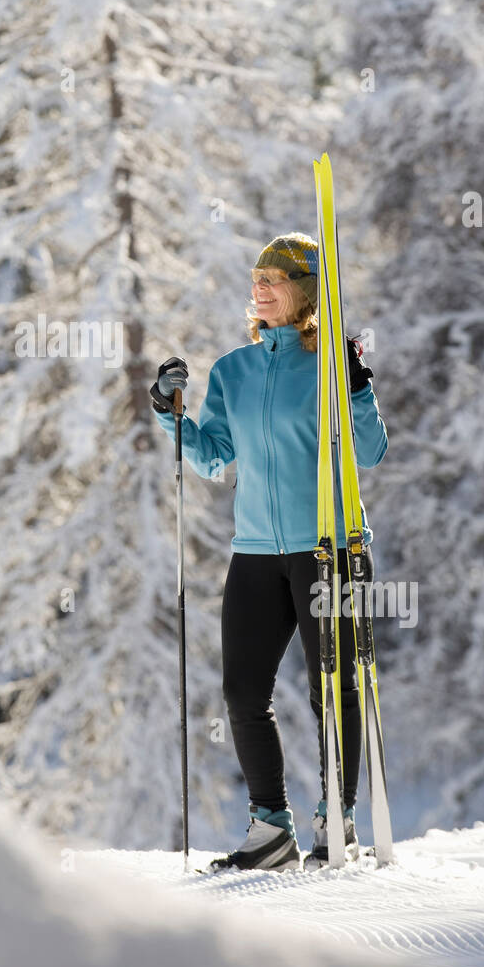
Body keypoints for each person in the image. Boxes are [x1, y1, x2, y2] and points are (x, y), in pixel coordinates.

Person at [150, 232, 387, 871]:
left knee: (332, 690)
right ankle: (270, 827)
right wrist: (171, 413)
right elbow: (214, 456)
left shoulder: (333, 363)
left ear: (304, 290)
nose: (260, 288)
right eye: (256, 278)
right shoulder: (233, 370)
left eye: (274, 279)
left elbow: (370, 452)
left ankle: (336, 815)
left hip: (328, 547)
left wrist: (360, 389)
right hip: (255, 551)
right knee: (242, 691)